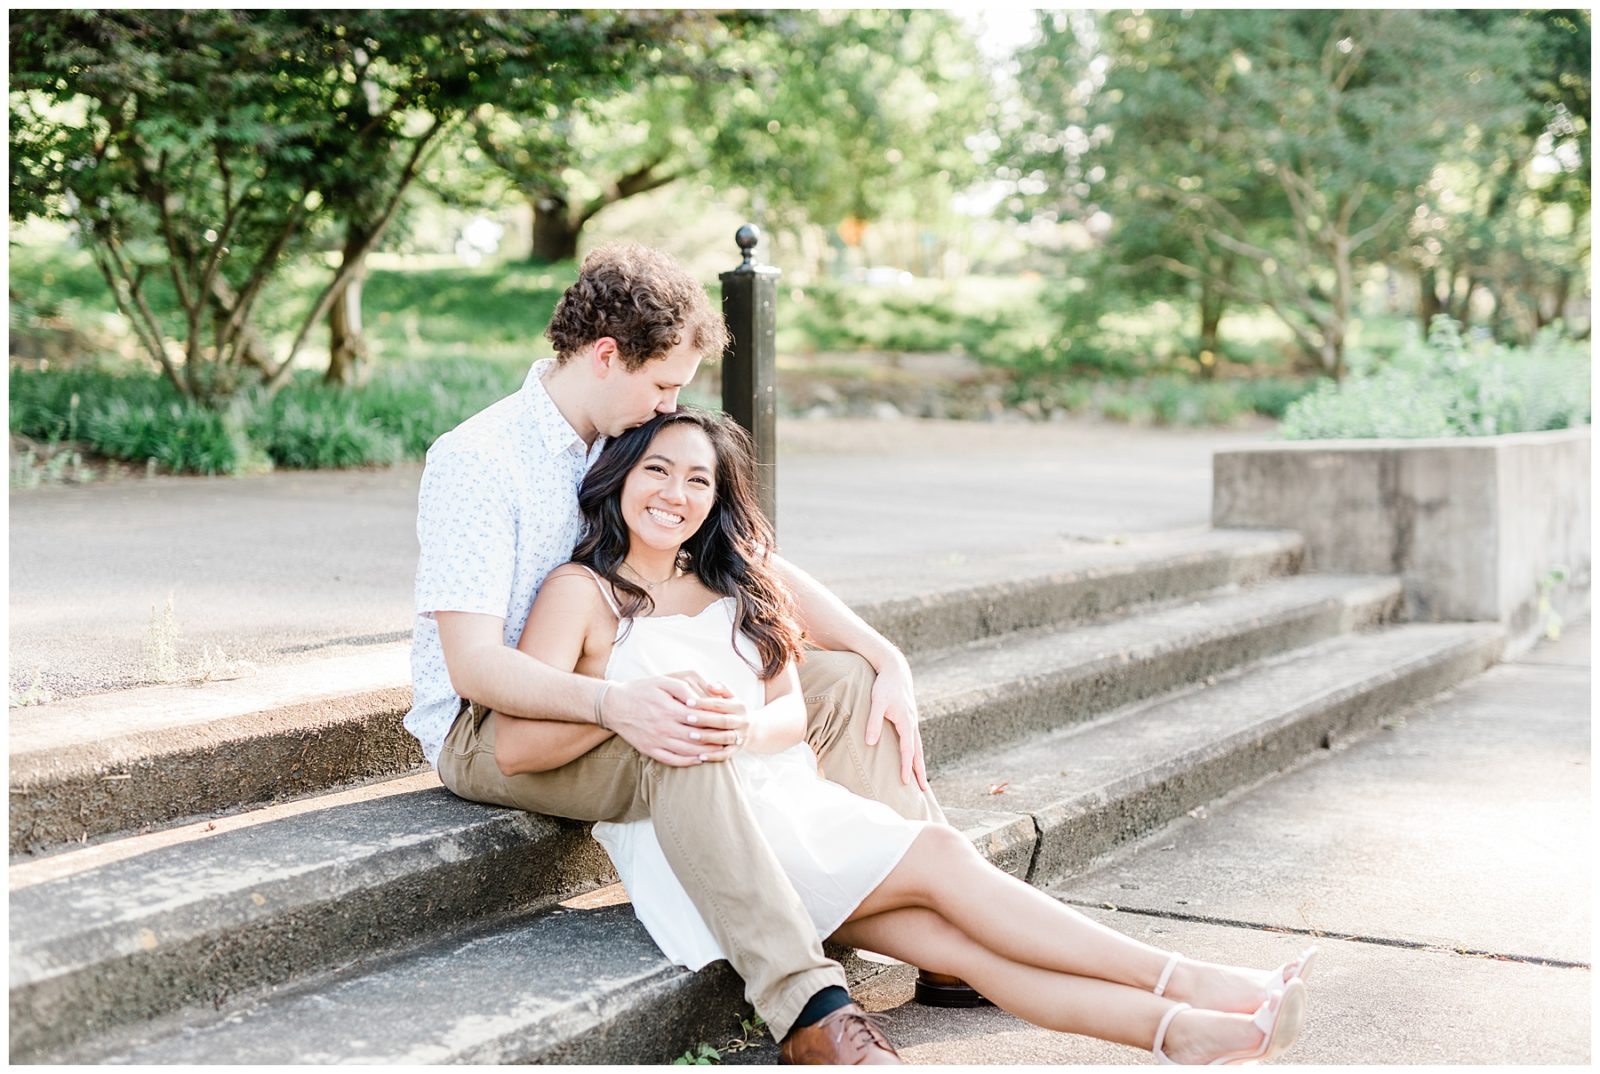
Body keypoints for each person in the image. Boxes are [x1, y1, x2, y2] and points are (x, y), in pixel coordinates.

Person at [508, 407, 1317, 1065]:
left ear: (718, 498)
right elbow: (521, 738)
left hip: (791, 804)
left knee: (966, 949)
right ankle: (1204, 982)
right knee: (941, 857)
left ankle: (1185, 1032)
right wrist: (628, 708)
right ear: (618, 476)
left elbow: (789, 711)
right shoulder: (580, 593)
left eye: (698, 479)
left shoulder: (731, 581)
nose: (675, 494)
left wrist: (745, 725)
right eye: (657, 469)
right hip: (707, 845)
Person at [408, 243, 958, 1064]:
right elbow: (473, 669)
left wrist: (889, 657)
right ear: (605, 356)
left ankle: (944, 936)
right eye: (664, 383)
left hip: (619, 677)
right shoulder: (479, 461)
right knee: (685, 731)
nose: (672, 402)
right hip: (498, 726)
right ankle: (808, 1009)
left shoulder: (626, 431)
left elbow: (747, 562)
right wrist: (619, 701)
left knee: (844, 679)